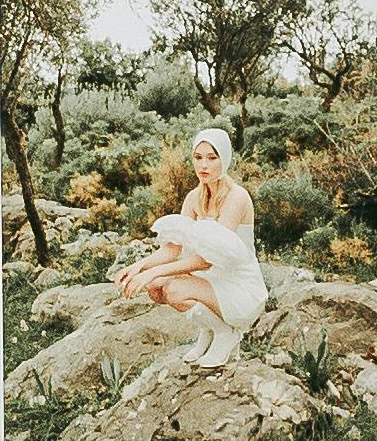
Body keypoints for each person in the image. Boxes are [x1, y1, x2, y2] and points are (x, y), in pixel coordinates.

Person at [109, 126, 266, 331]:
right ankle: (209, 331)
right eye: (198, 157)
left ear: (224, 160)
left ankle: (224, 332)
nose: (203, 165)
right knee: (154, 287)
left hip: (238, 287)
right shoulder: (194, 197)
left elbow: (206, 260)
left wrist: (152, 273)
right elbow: (173, 249)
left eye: (211, 158)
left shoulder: (236, 197)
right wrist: (139, 267)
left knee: (174, 289)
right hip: (211, 280)